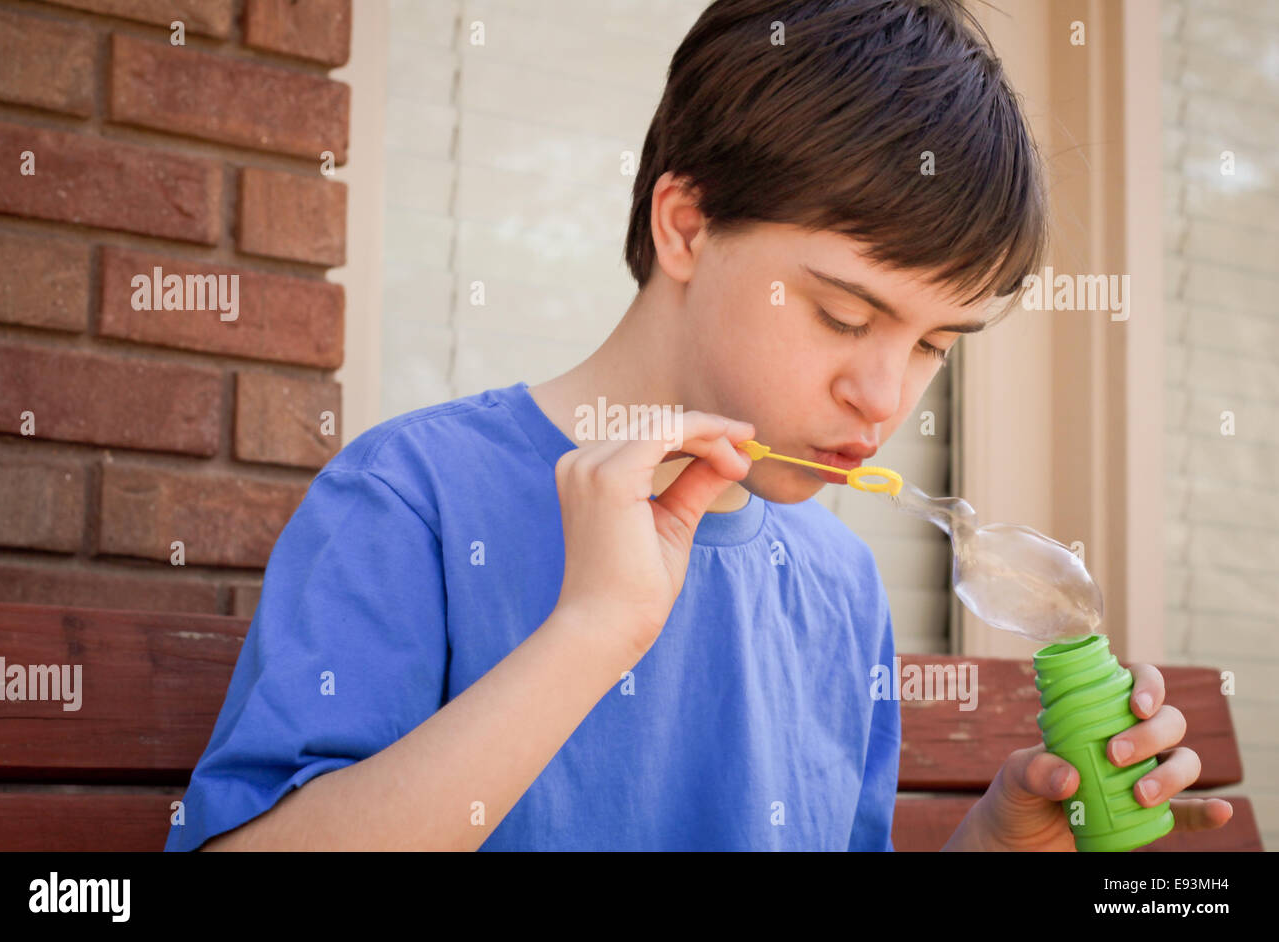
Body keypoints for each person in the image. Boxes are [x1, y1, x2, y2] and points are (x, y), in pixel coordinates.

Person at [166, 0, 1232, 851]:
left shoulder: (837, 583)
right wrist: (591, 633)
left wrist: (996, 842)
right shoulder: (415, 498)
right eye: (844, 315)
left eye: (931, 346)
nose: (885, 397)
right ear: (685, 226)